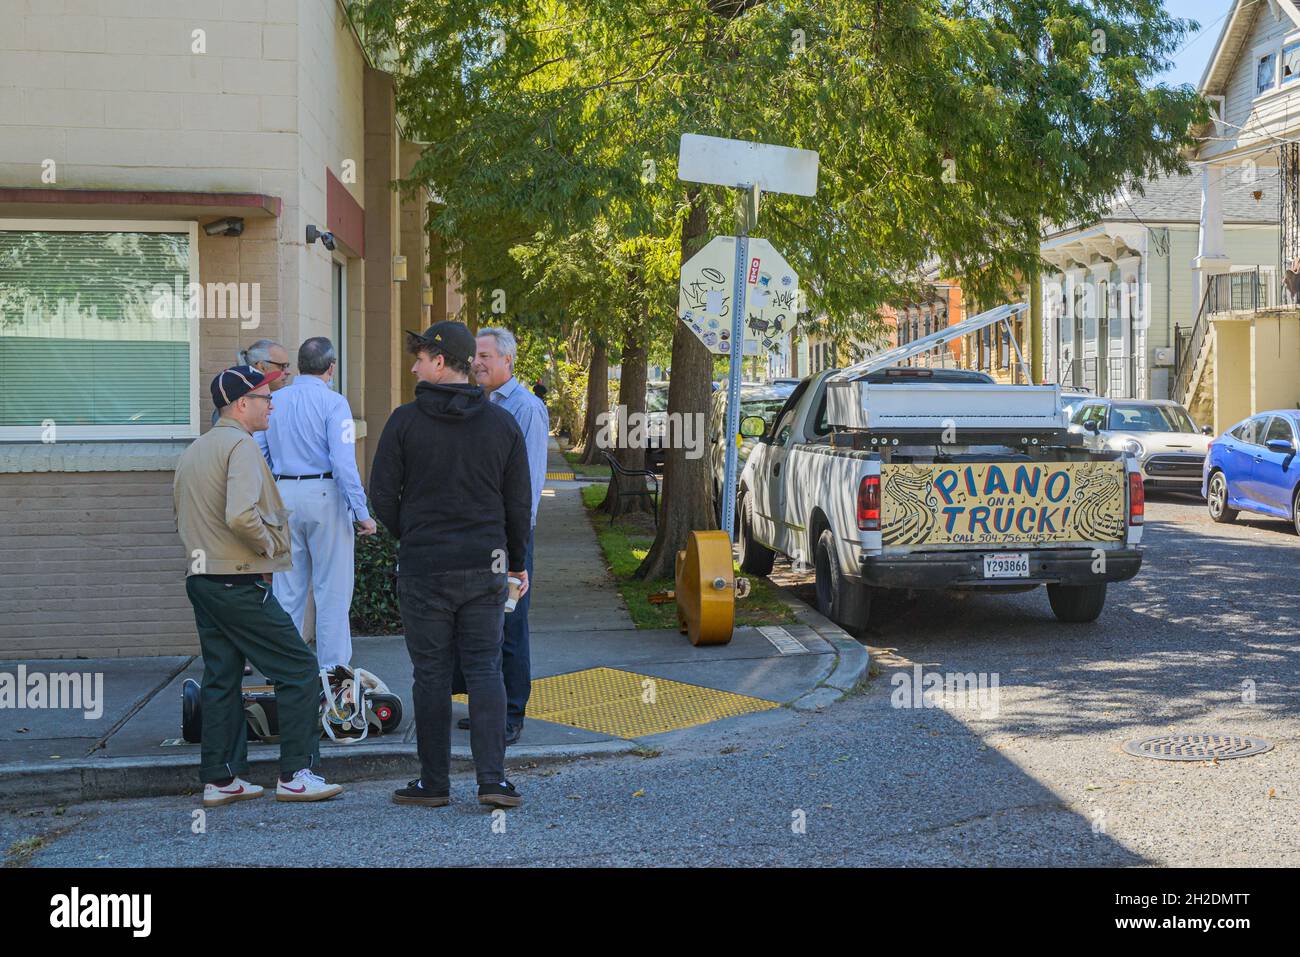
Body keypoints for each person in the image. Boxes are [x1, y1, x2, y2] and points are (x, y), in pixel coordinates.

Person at [370, 321, 532, 809]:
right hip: (486, 566)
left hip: (424, 568)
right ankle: (493, 780)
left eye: (420, 358)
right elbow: (517, 504)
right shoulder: (501, 424)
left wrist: (415, 536)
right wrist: (516, 563)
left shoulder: (404, 422)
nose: (414, 367)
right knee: (485, 670)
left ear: (440, 362)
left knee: (431, 675)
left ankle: (434, 783)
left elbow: (382, 496)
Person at [174, 365, 343, 806]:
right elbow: (240, 514)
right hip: (237, 580)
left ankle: (222, 779)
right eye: (266, 398)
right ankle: (297, 774)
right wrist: (268, 547)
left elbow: (183, 516)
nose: (272, 404)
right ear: (241, 404)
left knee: (222, 677)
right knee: (298, 668)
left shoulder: (197, 449)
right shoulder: (241, 447)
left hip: (203, 579)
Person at [457, 327, 549, 745]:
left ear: (508, 360)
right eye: (474, 356)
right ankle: (486, 709)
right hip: (476, 532)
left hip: (509, 536)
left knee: (510, 623)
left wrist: (517, 543)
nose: (476, 363)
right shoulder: (476, 403)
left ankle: (511, 715)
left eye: (485, 356)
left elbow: (528, 482)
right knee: (480, 624)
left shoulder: (525, 408)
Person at [263, 337, 376, 673]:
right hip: (325, 493)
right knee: (332, 590)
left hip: (284, 492)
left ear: (299, 365)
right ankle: (334, 673)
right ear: (331, 367)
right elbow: (343, 464)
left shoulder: (274, 400)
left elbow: (261, 453)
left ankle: (286, 671)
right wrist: (362, 512)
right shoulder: (335, 403)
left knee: (287, 590)